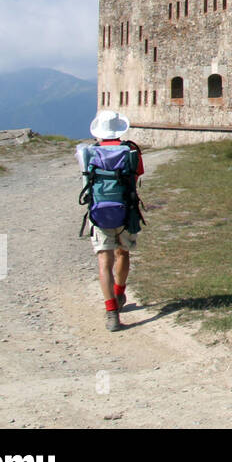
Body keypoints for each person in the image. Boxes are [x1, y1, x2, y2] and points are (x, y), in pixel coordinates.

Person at [77, 111, 144, 332]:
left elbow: (85, 179)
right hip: (126, 211)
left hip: (99, 213)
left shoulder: (88, 152)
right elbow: (137, 176)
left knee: (104, 263)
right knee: (123, 253)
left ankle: (111, 313)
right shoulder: (131, 150)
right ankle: (119, 291)